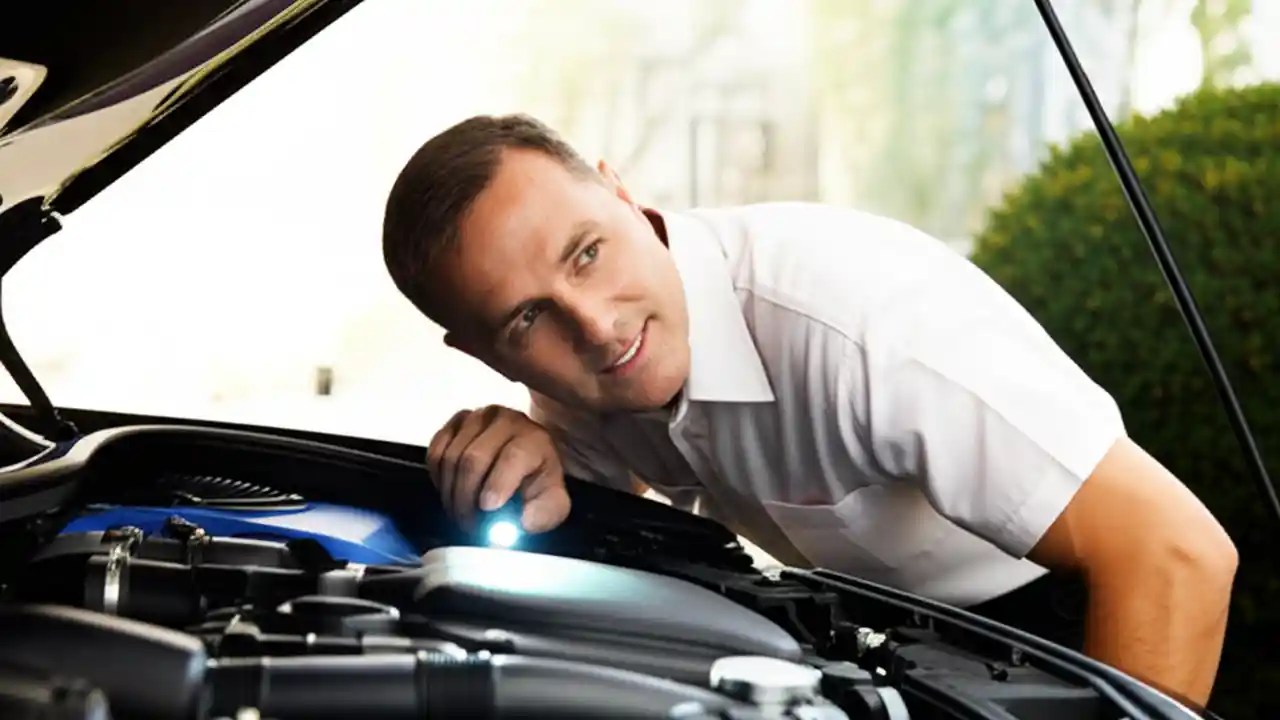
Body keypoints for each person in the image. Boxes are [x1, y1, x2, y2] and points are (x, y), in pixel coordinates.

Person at [380, 113, 1237, 710]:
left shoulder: (860, 325)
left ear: (619, 190)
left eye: (589, 253)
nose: (597, 327)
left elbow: (1176, 555)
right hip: (890, 650)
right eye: (526, 319)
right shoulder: (585, 377)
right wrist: (531, 463)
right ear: (482, 352)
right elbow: (603, 511)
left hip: (1079, 629)